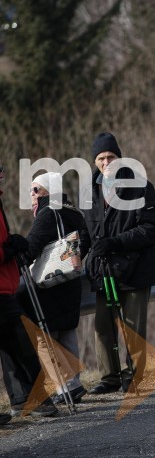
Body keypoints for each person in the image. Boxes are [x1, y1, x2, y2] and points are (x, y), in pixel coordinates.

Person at [83, 132, 155, 395]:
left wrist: (115, 243)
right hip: (104, 270)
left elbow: (150, 228)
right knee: (102, 326)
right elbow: (85, 232)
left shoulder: (140, 186)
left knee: (132, 326)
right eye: (101, 158)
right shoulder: (89, 190)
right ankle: (109, 377)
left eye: (111, 156)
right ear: (95, 161)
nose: (107, 162)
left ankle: (135, 377)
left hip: (136, 269)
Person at [19, 172, 91, 405]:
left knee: (44, 339)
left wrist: (18, 257)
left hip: (49, 284)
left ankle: (66, 387)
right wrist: (70, 258)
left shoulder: (48, 213)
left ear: (48, 191)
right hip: (70, 281)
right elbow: (85, 240)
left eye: (35, 190)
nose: (31, 194)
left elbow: (32, 247)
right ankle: (76, 384)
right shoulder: (73, 211)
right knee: (67, 331)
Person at [0, 162, 56, 420]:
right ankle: (38, 399)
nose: (3, 173)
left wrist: (11, 243)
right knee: (21, 341)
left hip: (5, 283)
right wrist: (9, 250)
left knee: (11, 344)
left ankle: (24, 400)